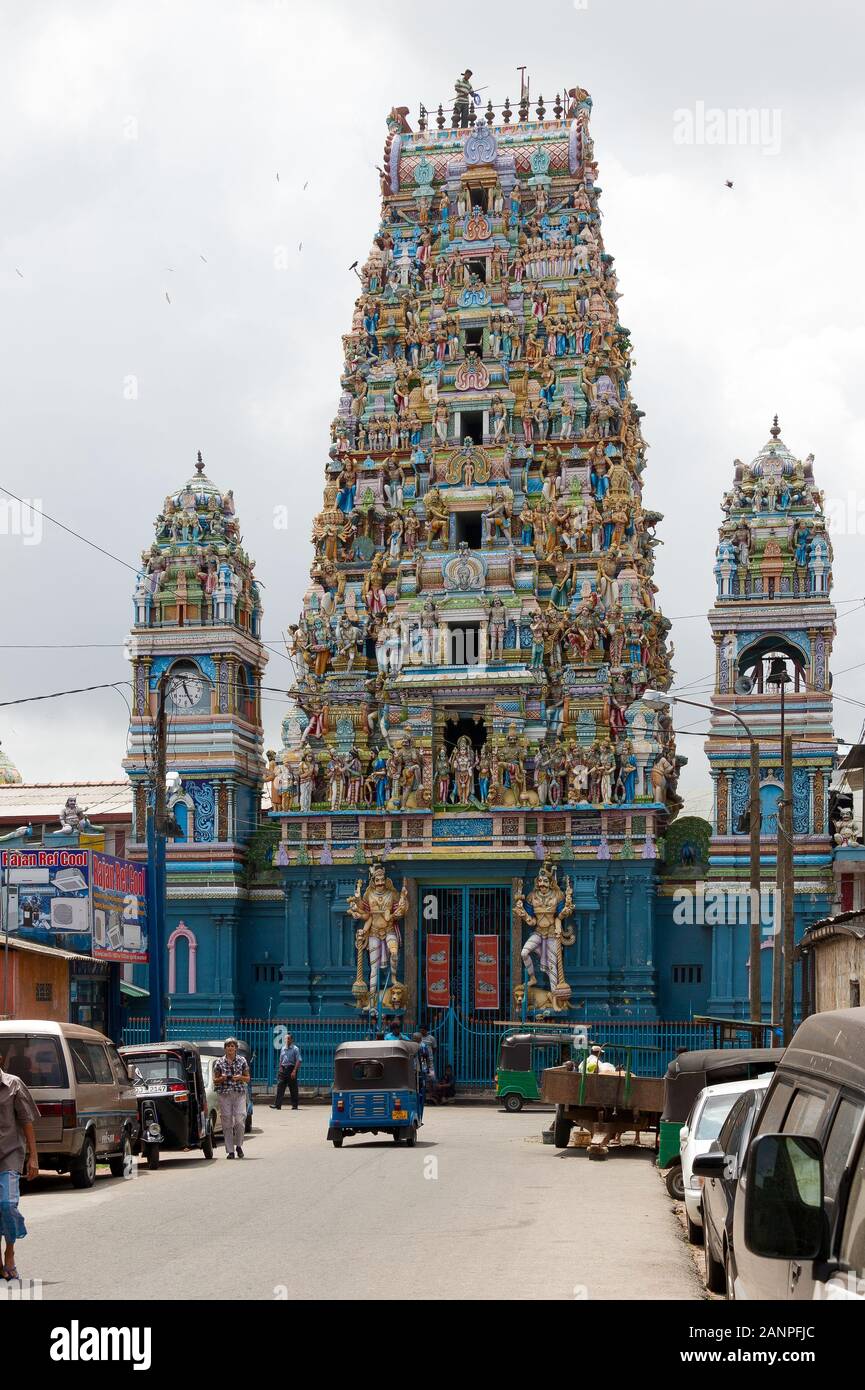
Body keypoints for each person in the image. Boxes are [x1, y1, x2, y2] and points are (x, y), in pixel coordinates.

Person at [0, 1046, 40, 1280]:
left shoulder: (13, 1085)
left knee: (7, 1204)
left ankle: (10, 1251)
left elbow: (26, 1122)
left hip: (9, 1155)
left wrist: (33, 1157)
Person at [213, 1038, 250, 1158]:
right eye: (228, 1046)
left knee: (239, 1120)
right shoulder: (219, 1062)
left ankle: (239, 1145)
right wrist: (222, 1079)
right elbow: (215, 1080)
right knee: (227, 1122)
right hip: (224, 1094)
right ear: (225, 1048)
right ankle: (230, 1151)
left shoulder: (242, 1060)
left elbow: (247, 1078)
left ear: (236, 1048)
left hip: (239, 1093)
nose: (230, 1048)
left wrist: (240, 1077)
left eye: (232, 1046)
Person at [271, 1034, 302, 1111]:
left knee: (293, 1088)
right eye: (285, 1039)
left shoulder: (295, 1049)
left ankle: (294, 1105)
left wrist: (294, 1071)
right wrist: (280, 1067)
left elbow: (298, 1060)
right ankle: (277, 1105)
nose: (287, 1040)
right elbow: (281, 1059)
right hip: (283, 1069)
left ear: (291, 1040)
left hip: (291, 1069)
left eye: (288, 1039)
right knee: (280, 1087)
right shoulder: (283, 1048)